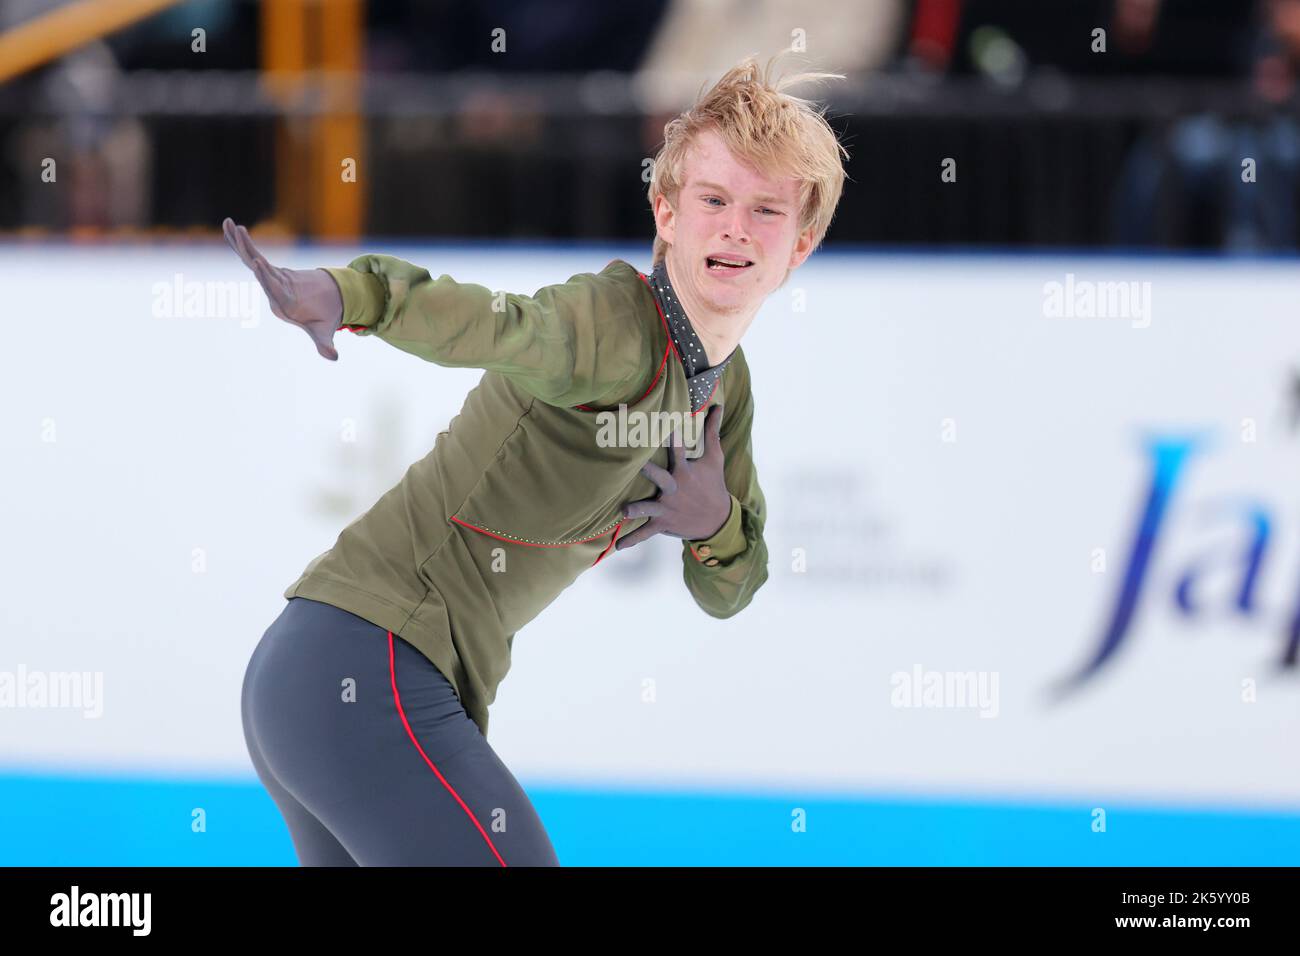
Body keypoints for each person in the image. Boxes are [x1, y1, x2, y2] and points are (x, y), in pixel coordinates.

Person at [236, 52, 849, 866]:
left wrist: (716, 524)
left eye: (765, 210)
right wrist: (355, 295)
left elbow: (729, 588)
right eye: (712, 200)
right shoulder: (610, 323)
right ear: (665, 212)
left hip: (330, 682)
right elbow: (497, 324)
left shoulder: (721, 389)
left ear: (800, 244)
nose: (736, 228)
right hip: (363, 670)